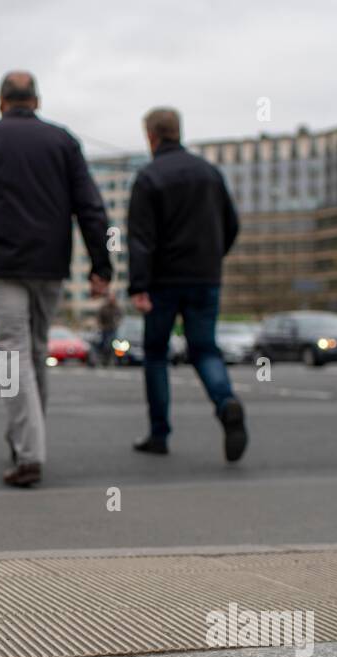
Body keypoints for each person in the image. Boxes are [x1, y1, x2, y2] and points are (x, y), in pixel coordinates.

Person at [0, 70, 112, 487]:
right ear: (36, 100)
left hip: (3, 262)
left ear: (1, 102)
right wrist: (100, 266)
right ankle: (25, 440)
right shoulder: (63, 141)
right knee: (35, 351)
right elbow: (90, 206)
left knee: (13, 350)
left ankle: (29, 451)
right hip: (51, 265)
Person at [127, 107, 246, 461]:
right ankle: (226, 403)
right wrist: (212, 258)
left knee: (155, 354)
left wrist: (138, 285)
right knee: (205, 349)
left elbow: (140, 239)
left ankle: (159, 433)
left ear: (151, 136)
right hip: (204, 276)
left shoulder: (149, 177)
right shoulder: (210, 173)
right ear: (178, 131)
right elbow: (231, 224)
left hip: (163, 280)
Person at [96, 293, 123, 367]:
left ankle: (116, 360)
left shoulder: (117, 308)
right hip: (105, 329)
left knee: (116, 345)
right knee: (106, 345)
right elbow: (99, 317)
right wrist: (100, 325)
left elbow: (120, 316)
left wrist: (118, 322)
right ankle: (105, 359)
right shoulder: (104, 308)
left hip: (113, 329)